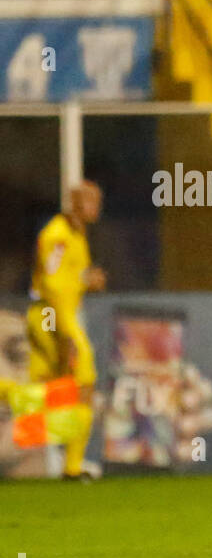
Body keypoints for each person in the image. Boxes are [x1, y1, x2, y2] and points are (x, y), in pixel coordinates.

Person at [26, 180, 104, 480]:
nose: (96, 207)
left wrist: (87, 280)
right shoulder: (56, 235)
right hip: (50, 313)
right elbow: (52, 283)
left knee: (47, 391)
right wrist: (64, 333)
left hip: (57, 313)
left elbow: (70, 277)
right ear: (75, 203)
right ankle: (71, 466)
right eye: (90, 200)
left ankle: (71, 466)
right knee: (83, 381)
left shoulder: (76, 234)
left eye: (98, 200)